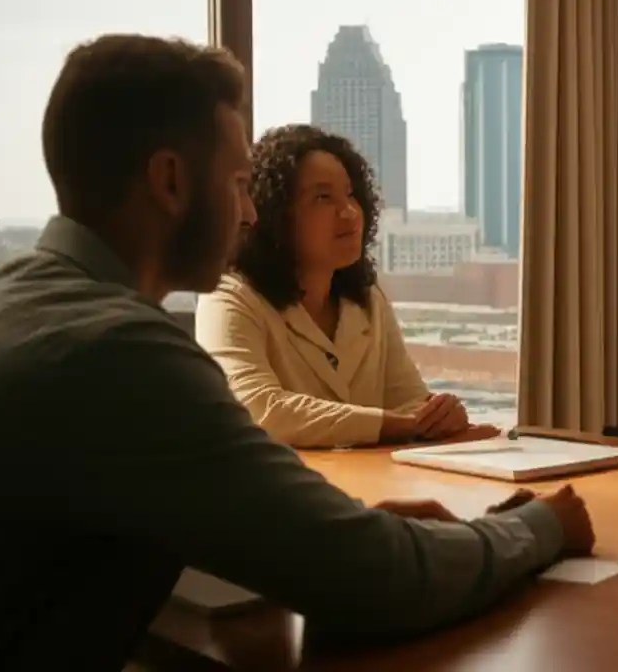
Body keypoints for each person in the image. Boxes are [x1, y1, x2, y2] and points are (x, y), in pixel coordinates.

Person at [0, 34, 593, 671]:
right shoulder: (119, 354)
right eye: (237, 183)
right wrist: (539, 528)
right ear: (170, 180)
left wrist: (339, 528)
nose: (248, 213)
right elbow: (375, 583)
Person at [195, 124, 488, 448]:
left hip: (369, 488)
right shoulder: (229, 300)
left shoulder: (368, 300)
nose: (349, 212)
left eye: (350, 194)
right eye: (323, 198)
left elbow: (408, 402)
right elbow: (262, 412)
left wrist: (440, 417)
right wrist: (401, 424)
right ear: (276, 214)